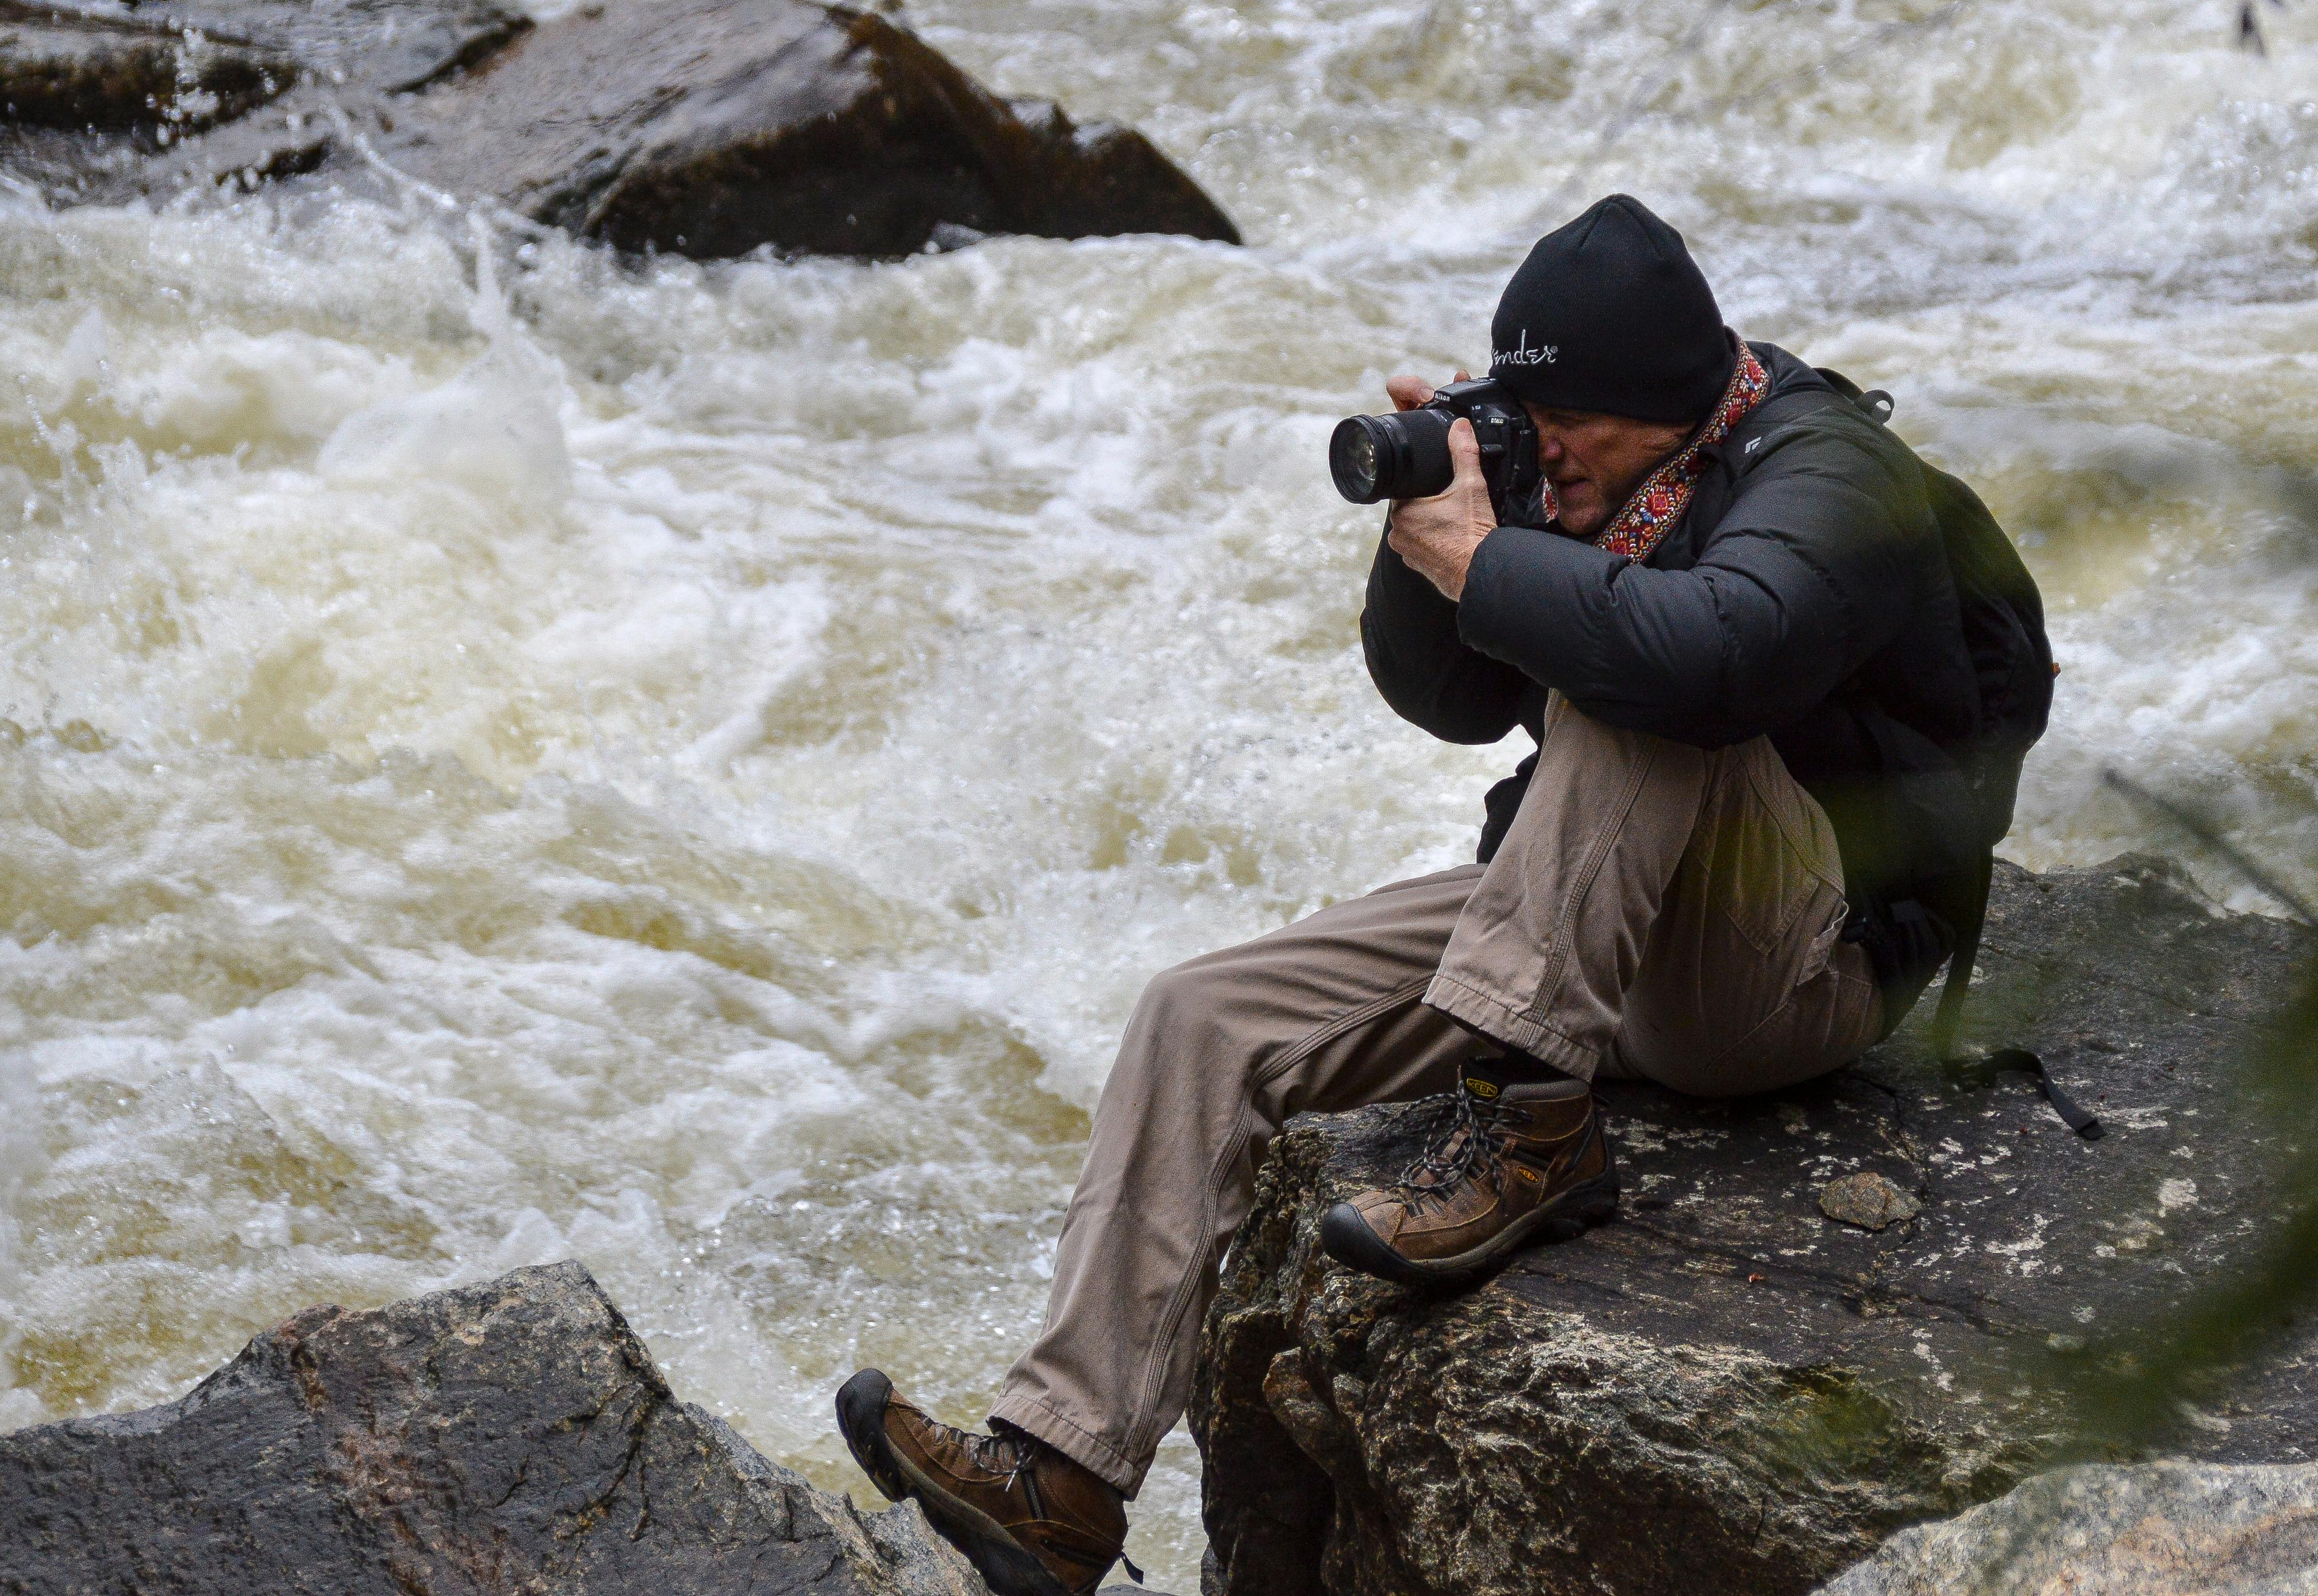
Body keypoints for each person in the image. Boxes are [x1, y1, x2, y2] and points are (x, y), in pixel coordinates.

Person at [836, 195, 2016, 1596]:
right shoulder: (1590, 469)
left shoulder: (1829, 469)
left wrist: (1500, 561)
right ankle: (1064, 1477)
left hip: (1792, 967)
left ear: (1665, 407)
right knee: (1206, 1017)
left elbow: (1716, 664)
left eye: (1565, 425)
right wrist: (1449, 519)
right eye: (1529, 419)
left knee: (1642, 683)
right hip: (1596, 926)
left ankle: (1528, 1132)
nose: (1547, 447)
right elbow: (1445, 699)